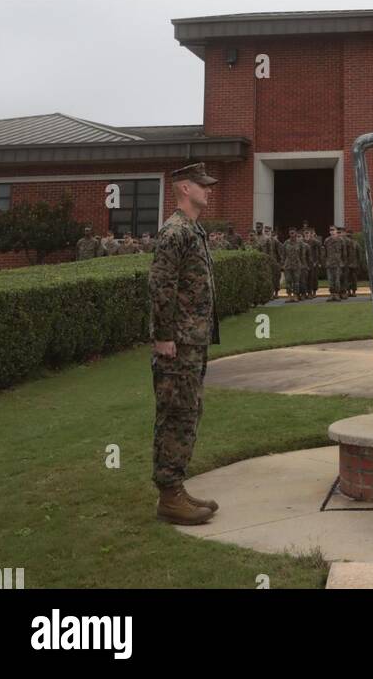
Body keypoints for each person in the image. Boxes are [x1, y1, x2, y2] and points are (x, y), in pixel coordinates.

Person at [148, 162, 220, 526]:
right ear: (185, 189)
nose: (209, 190)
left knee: (188, 412)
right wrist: (163, 337)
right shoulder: (175, 231)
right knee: (176, 413)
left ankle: (176, 486)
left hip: (192, 339)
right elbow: (162, 286)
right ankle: (169, 495)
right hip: (177, 342)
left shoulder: (193, 229)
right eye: (203, 185)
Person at [324, 226, 345, 300]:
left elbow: (344, 253)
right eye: (331, 230)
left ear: (336, 231)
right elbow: (325, 253)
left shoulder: (341, 240)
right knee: (330, 280)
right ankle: (331, 294)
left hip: (338, 263)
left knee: (337, 280)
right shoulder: (327, 240)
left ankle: (336, 294)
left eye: (333, 230)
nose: (332, 231)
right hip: (329, 263)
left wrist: (343, 262)